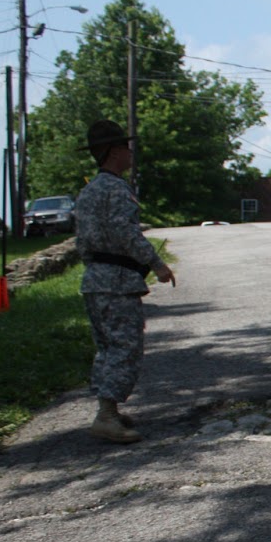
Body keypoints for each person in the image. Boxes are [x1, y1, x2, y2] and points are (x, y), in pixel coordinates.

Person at [75, 120, 176, 444]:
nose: (131, 152)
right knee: (125, 346)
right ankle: (106, 416)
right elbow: (126, 232)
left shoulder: (89, 190)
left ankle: (108, 409)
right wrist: (157, 264)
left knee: (106, 347)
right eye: (126, 146)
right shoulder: (116, 189)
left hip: (95, 279)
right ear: (114, 151)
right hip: (117, 280)